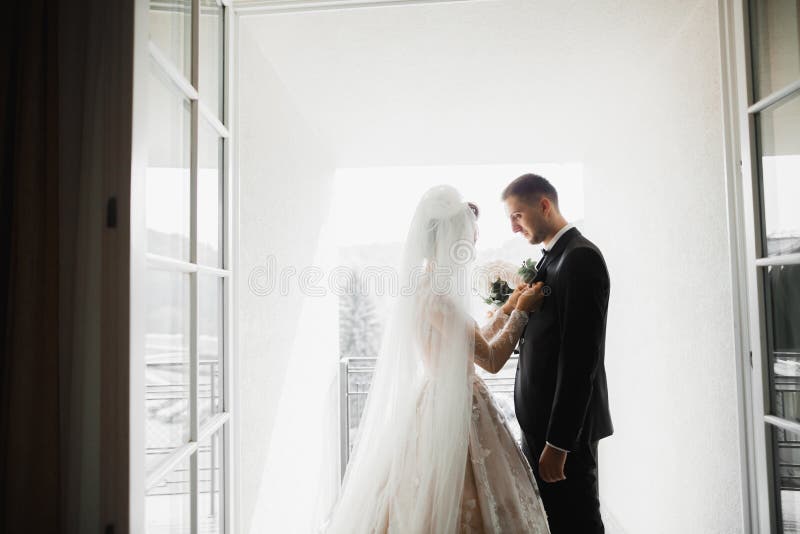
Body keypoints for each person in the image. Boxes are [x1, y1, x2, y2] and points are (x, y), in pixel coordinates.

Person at [323, 185, 550, 533]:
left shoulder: (429, 287)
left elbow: (472, 343)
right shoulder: (439, 298)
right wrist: (520, 312)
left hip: (441, 399)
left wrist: (507, 308)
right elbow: (489, 359)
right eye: (468, 242)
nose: (471, 250)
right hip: (454, 407)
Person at [502, 173, 614, 534]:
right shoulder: (552, 258)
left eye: (517, 216)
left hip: (563, 432)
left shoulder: (579, 258)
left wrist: (559, 441)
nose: (514, 227)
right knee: (553, 521)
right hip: (541, 424)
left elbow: (582, 358)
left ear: (544, 205)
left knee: (578, 522)